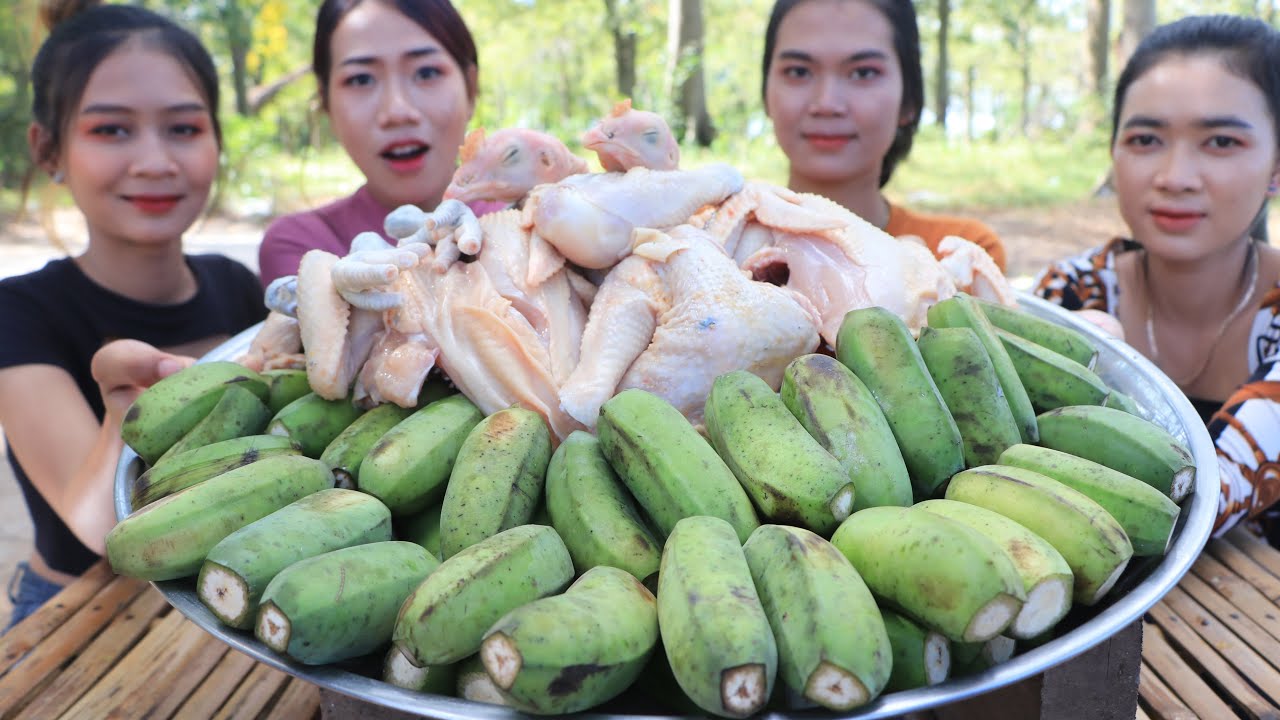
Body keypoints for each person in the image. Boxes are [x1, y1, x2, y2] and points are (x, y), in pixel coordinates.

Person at [0, 0, 265, 629]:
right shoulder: (19, 314)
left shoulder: (239, 287)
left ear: (216, 142)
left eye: (184, 128)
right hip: (77, 624)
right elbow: (98, 527)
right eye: (111, 130)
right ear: (49, 150)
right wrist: (127, 410)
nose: (155, 161)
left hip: (228, 614)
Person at [1034, 14, 1280, 539]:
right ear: (1114, 153)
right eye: (1146, 139)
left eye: (1220, 142)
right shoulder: (1070, 292)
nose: (1174, 178)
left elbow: (1197, 505)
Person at [258, 0, 495, 287]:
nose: (397, 112)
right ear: (326, 104)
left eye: (427, 72)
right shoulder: (305, 249)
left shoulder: (536, 219)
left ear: (471, 89)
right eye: (360, 79)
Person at [761, 0, 1007, 271]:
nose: (827, 104)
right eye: (798, 71)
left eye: (863, 72)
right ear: (765, 94)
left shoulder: (961, 257)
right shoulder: (714, 248)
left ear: (908, 100)